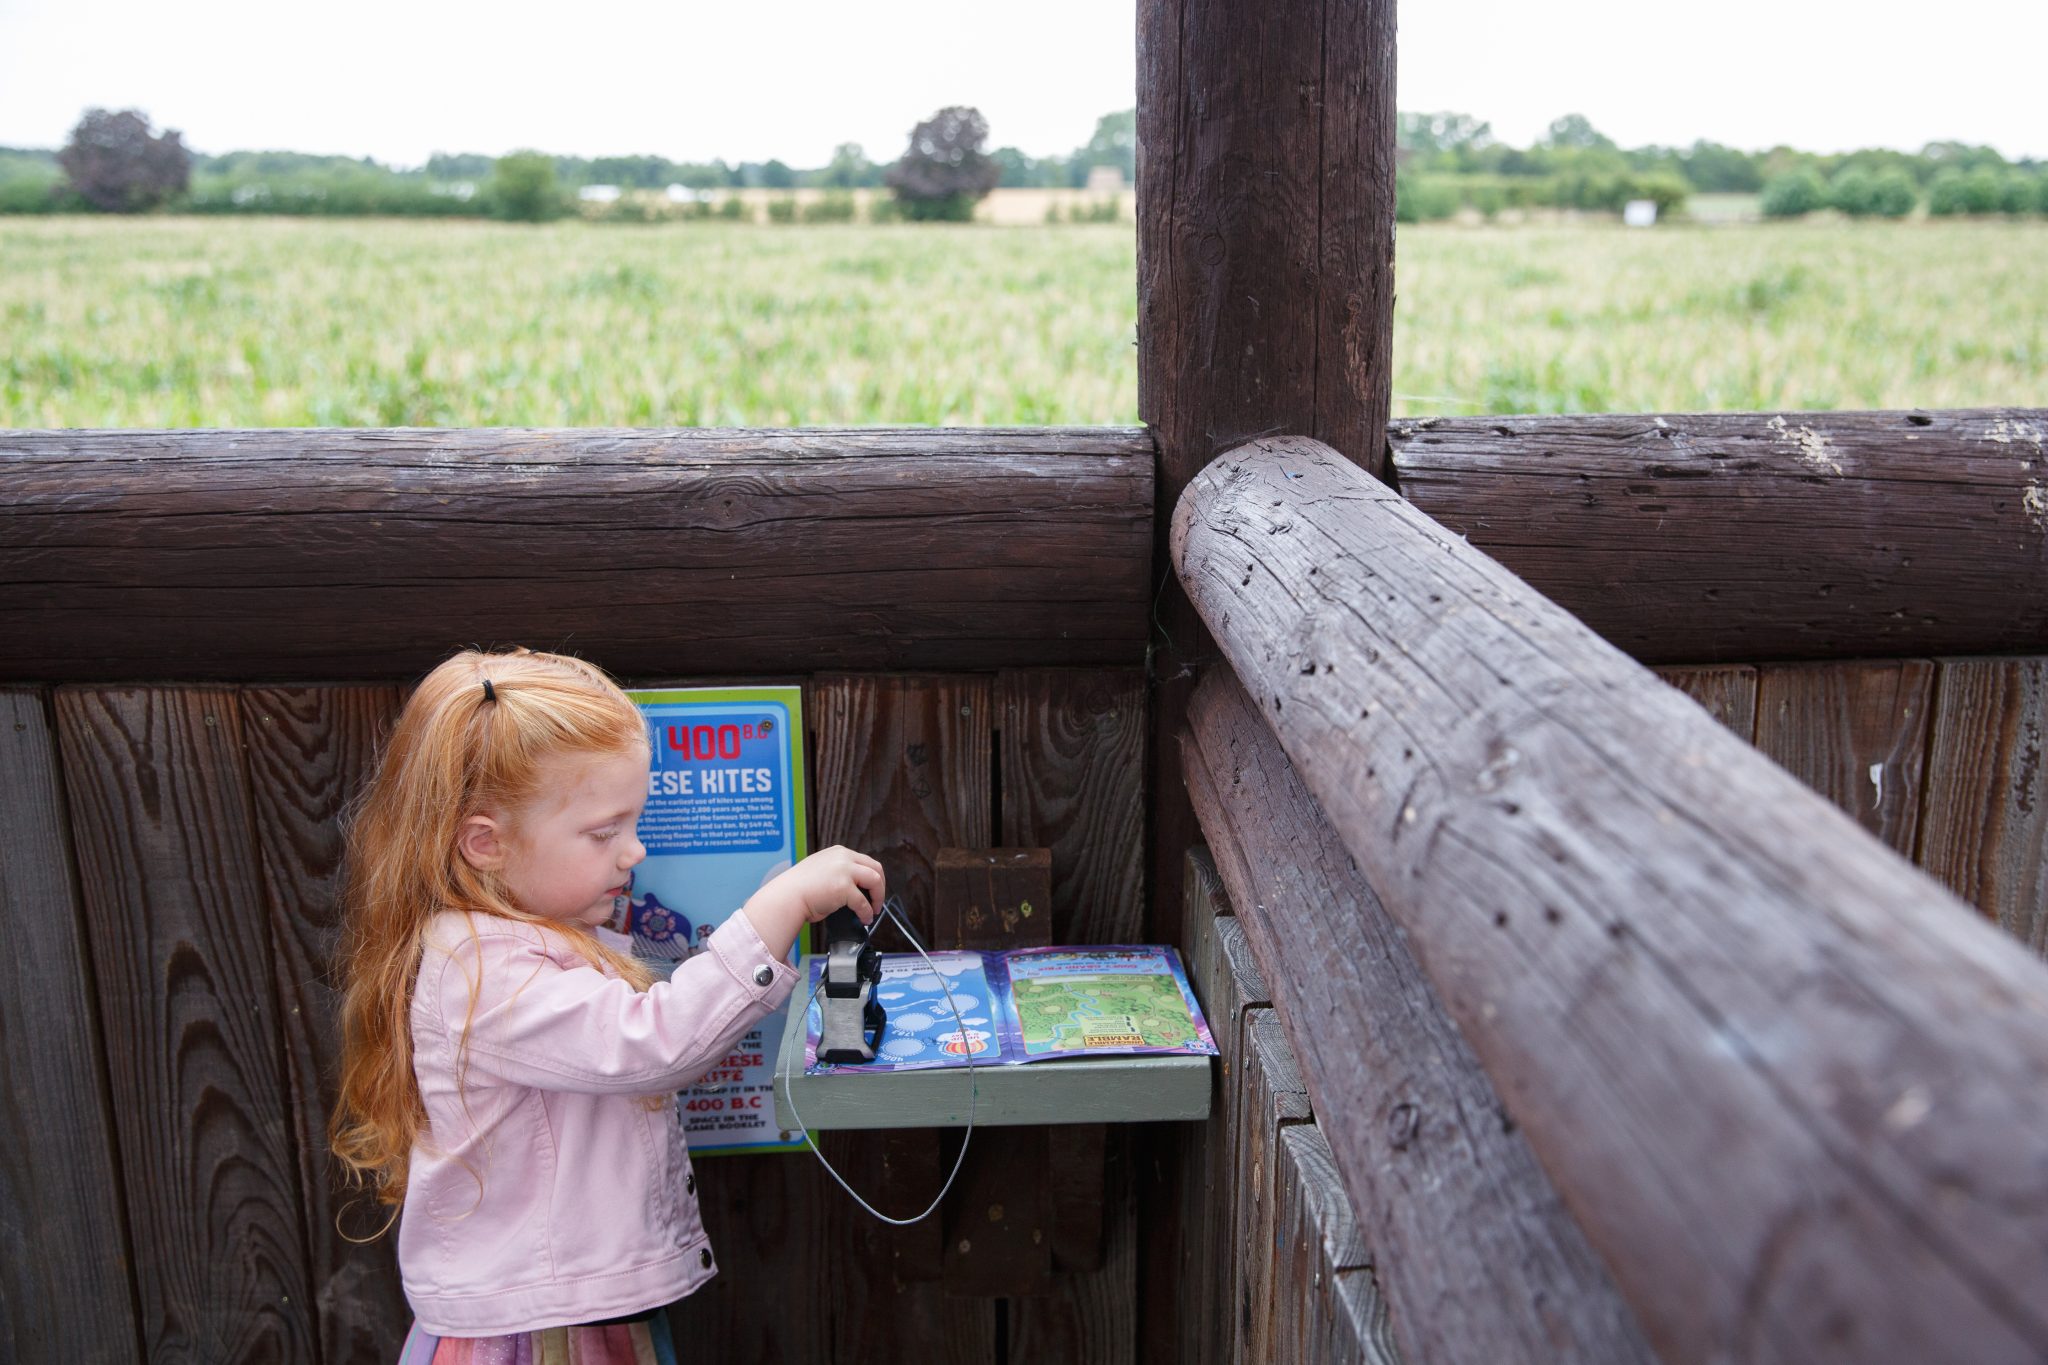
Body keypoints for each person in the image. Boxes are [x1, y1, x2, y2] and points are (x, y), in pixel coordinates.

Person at [329, 647, 883, 1363]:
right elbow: (649, 1044)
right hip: (536, 1332)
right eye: (602, 832)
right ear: (484, 843)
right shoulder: (483, 973)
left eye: (633, 822)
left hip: (569, 1307)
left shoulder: (520, 941)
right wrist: (781, 908)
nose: (634, 851)